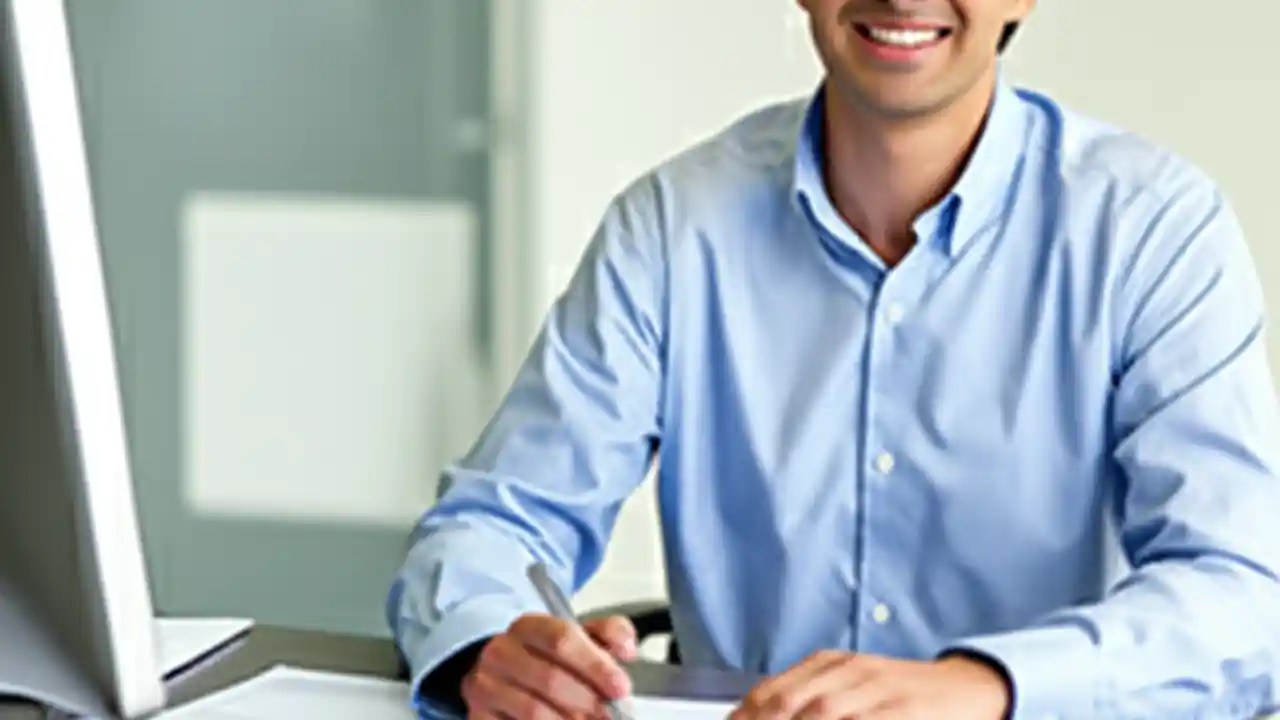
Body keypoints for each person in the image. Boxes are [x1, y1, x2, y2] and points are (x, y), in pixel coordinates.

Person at [387, 0, 1280, 717]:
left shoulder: (1152, 230)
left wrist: (983, 688)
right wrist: (488, 647)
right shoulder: (672, 227)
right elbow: (494, 523)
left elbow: (1243, 597)